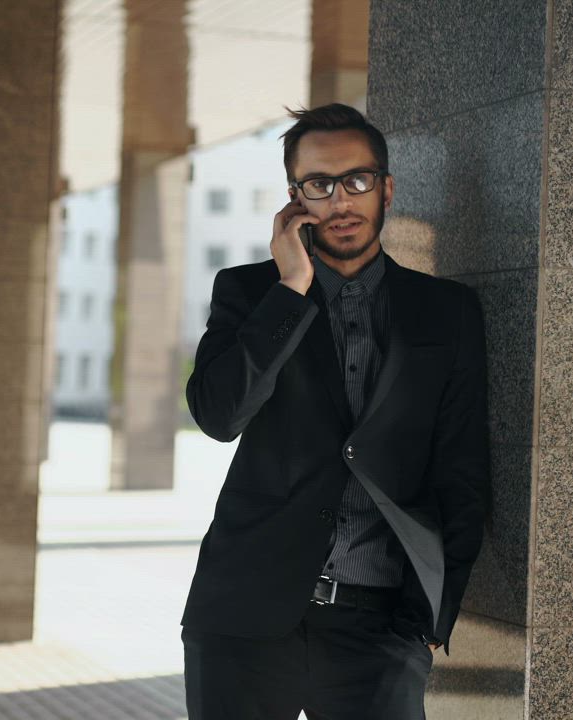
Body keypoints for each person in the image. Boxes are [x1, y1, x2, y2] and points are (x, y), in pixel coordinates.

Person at [180, 103, 490, 720]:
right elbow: (219, 416)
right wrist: (290, 289)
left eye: (357, 180)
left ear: (386, 188)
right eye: (319, 185)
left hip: (380, 628)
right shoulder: (248, 293)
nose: (340, 200)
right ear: (295, 198)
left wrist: (430, 615)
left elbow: (462, 470)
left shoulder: (446, 312)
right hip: (244, 617)